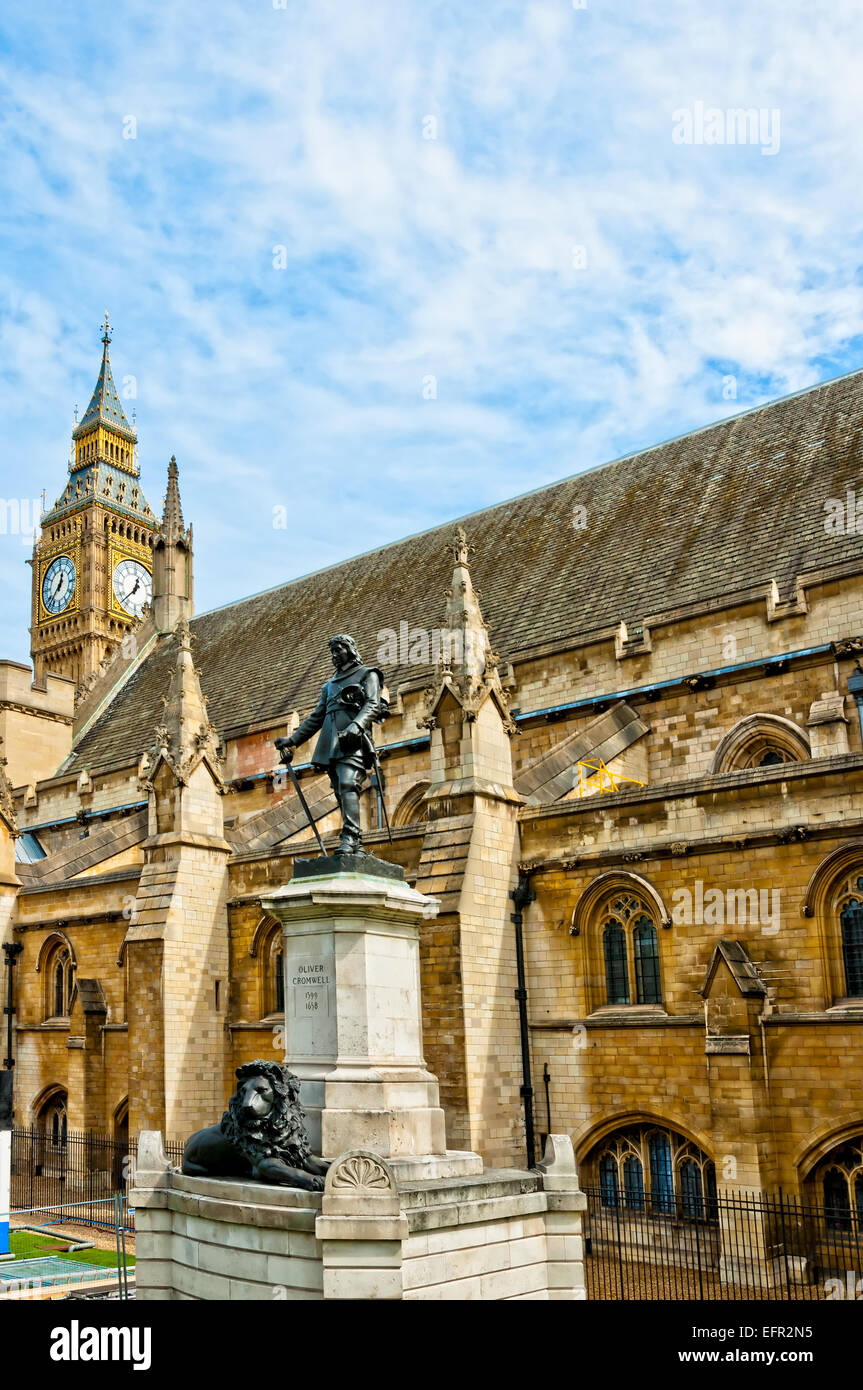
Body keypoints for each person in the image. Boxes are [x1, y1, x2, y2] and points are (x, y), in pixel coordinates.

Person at [274, 634, 387, 855]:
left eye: (338, 651)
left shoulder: (368, 674)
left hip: (353, 741)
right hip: (331, 743)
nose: (335, 656)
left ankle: (351, 837)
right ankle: (356, 844)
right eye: (332, 652)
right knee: (340, 790)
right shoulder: (329, 686)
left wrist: (357, 725)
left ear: (350, 650)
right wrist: (292, 741)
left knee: (348, 783)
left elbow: (373, 704)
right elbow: (316, 718)